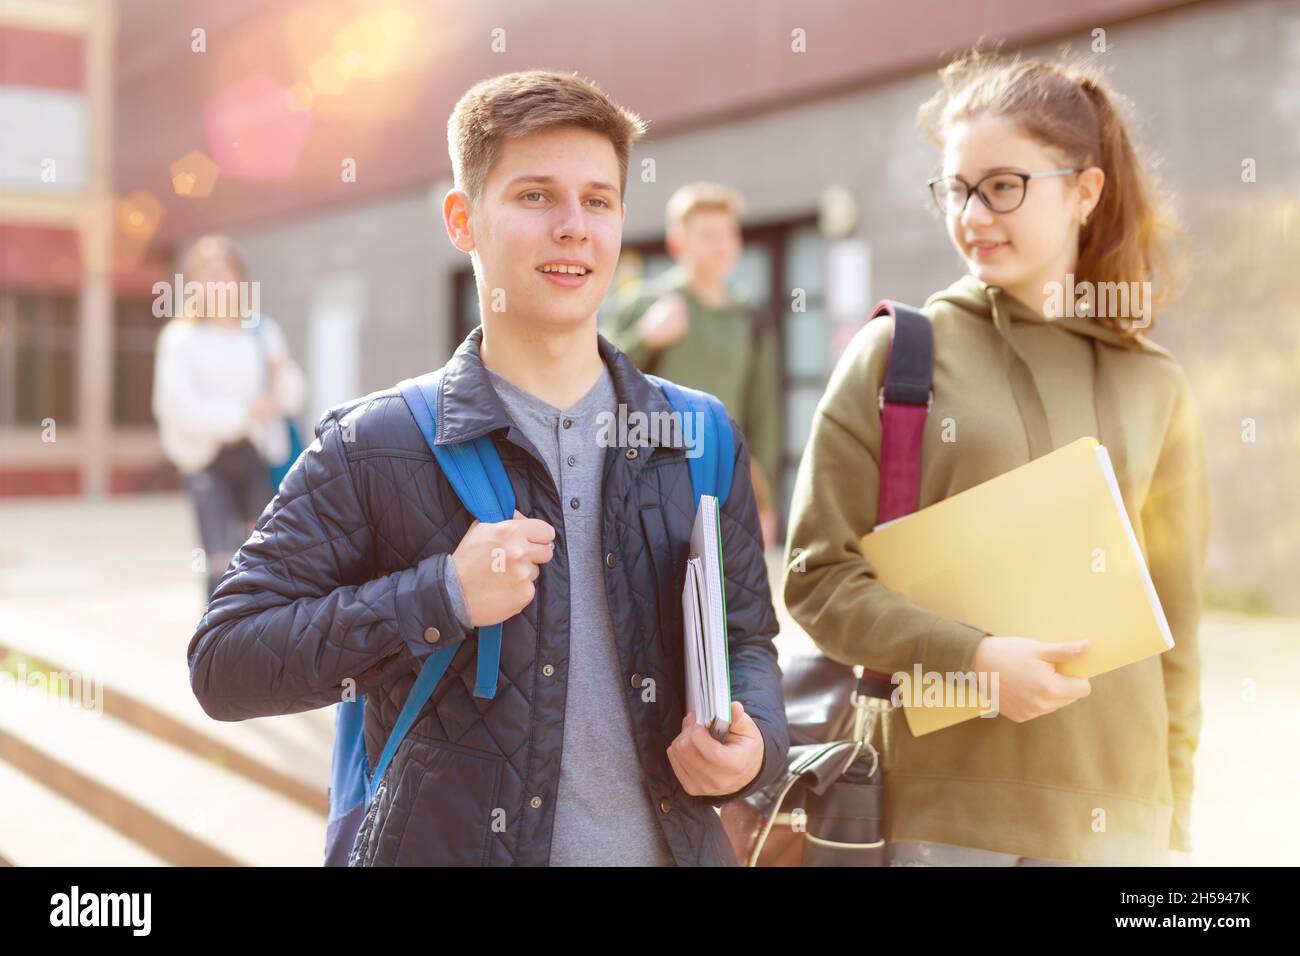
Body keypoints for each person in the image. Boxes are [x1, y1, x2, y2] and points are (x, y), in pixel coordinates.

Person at [187, 70, 788, 866]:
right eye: (536, 196)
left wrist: (754, 752)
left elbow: (748, 643)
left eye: (598, 200)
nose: (574, 227)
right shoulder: (375, 444)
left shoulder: (698, 434)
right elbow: (224, 663)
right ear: (463, 220)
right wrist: (438, 595)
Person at [783, 51, 1209, 866]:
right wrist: (971, 659)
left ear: (1084, 191)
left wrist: (1173, 821)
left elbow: (1176, 632)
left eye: (1003, 185)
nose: (973, 214)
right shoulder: (897, 354)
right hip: (943, 812)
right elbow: (816, 578)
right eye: (956, 187)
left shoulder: (1157, 385)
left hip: (1117, 814)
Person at [606, 182, 783, 547]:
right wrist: (645, 337)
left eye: (728, 233)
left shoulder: (751, 318)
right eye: (707, 234)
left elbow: (765, 413)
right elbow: (596, 381)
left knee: (724, 599)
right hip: (651, 485)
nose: (720, 244)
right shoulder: (645, 304)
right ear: (678, 242)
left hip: (724, 483)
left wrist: (766, 502)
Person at [152, 235, 306, 596]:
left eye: (226, 273)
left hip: (257, 459)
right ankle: (215, 647)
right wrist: (246, 412)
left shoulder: (262, 332)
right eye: (209, 274)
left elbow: (294, 391)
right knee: (220, 563)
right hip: (207, 462)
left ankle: (258, 645)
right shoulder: (180, 339)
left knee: (260, 560)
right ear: (194, 283)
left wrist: (279, 382)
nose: (219, 283)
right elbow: (178, 408)